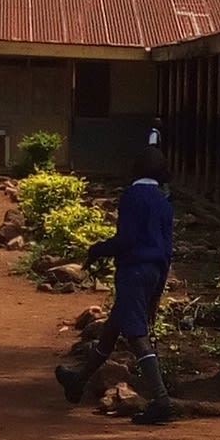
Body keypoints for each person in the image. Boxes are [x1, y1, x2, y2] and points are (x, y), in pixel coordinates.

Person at [55, 147, 175, 424]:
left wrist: (98, 249)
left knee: (136, 334)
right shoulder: (164, 201)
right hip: (155, 270)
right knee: (113, 327)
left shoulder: (132, 195)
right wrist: (157, 291)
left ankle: (161, 400)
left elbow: (127, 238)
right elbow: (167, 250)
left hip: (133, 270)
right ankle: (79, 379)